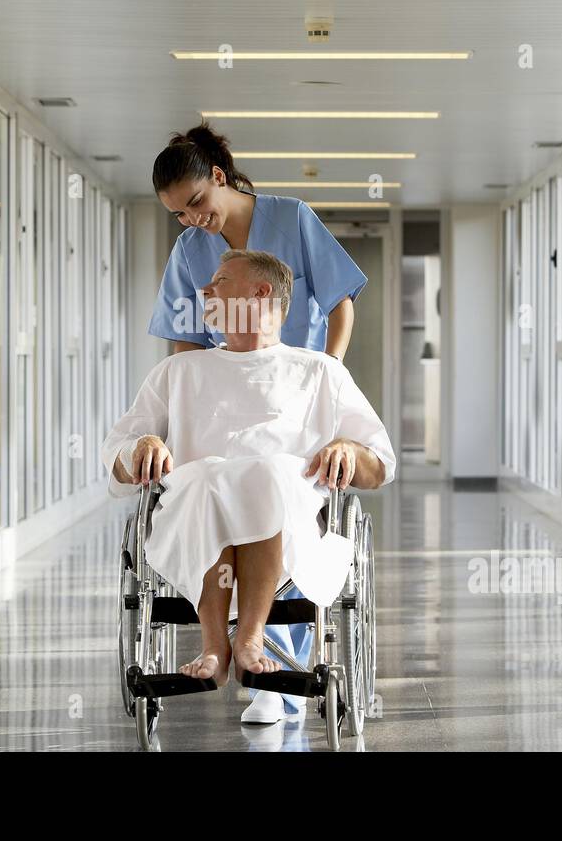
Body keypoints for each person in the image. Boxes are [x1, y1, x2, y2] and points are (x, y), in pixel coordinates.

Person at [147, 122, 369, 724]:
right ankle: (241, 648)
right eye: (179, 215)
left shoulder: (291, 217)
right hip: (229, 406)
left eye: (197, 203)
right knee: (221, 489)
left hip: (296, 402)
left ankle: (275, 671)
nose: (193, 220)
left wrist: (327, 372)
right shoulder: (191, 250)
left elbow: (340, 298)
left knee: (281, 496)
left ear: (218, 179)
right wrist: (185, 408)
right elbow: (185, 338)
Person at [102, 250, 394, 697]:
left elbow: (380, 465)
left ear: (260, 292)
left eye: (218, 280)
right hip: (195, 520)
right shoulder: (178, 372)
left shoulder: (319, 373)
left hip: (286, 526)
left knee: (267, 471)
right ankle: (215, 644)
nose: (205, 291)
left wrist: (348, 449)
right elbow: (116, 456)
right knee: (207, 477)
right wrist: (143, 445)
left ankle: (251, 636)